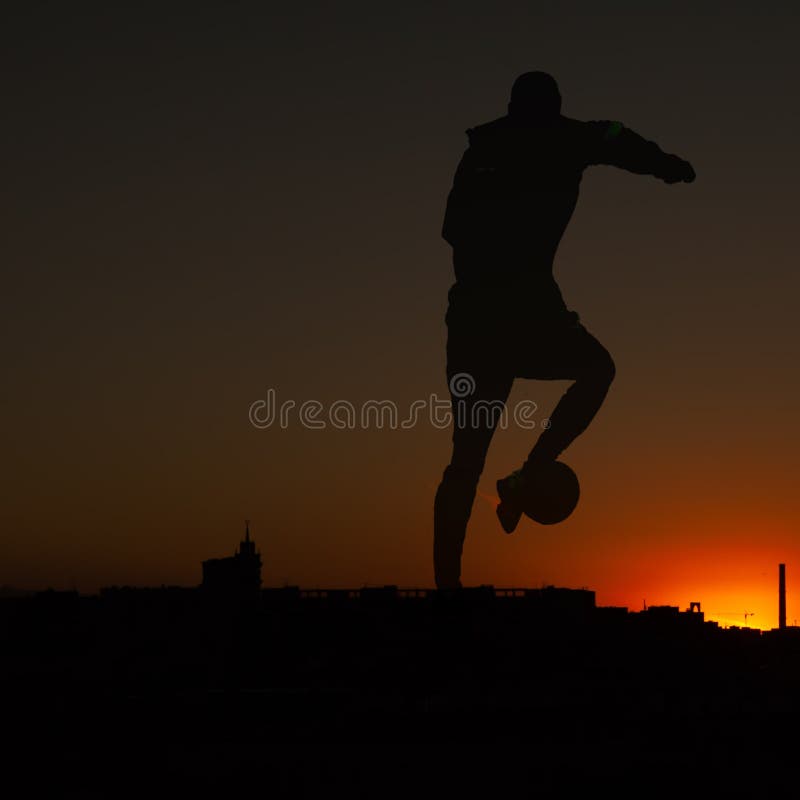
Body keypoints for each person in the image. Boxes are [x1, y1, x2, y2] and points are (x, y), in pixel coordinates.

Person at [434, 71, 696, 589]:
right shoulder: (535, 144)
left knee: (472, 456)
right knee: (470, 456)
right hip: (503, 315)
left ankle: (523, 481)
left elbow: (620, 138)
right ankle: (453, 579)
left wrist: (666, 165)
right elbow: (619, 138)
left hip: (495, 316)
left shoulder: (525, 143)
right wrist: (666, 165)